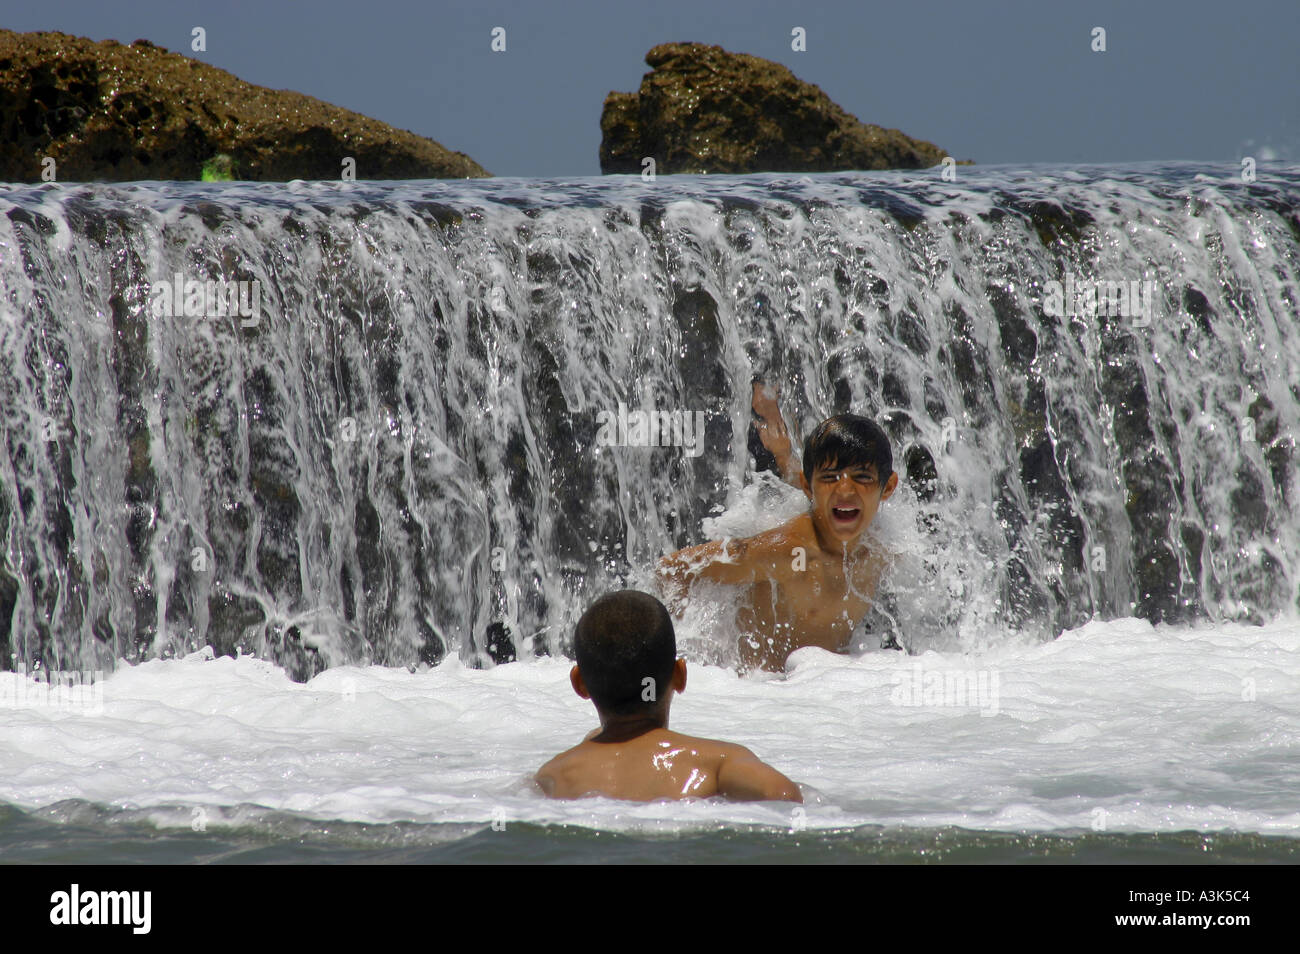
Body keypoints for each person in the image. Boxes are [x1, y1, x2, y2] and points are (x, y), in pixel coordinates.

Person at [658, 383, 898, 671]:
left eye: (861, 478)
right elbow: (673, 569)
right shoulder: (788, 550)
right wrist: (690, 658)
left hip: (829, 693)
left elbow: (817, 491)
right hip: (764, 696)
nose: (845, 491)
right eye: (831, 477)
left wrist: (784, 454)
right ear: (810, 487)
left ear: (889, 488)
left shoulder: (883, 548)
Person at [535, 590, 802, 802]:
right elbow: (782, 795)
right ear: (680, 674)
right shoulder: (717, 764)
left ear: (579, 683)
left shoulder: (553, 777)